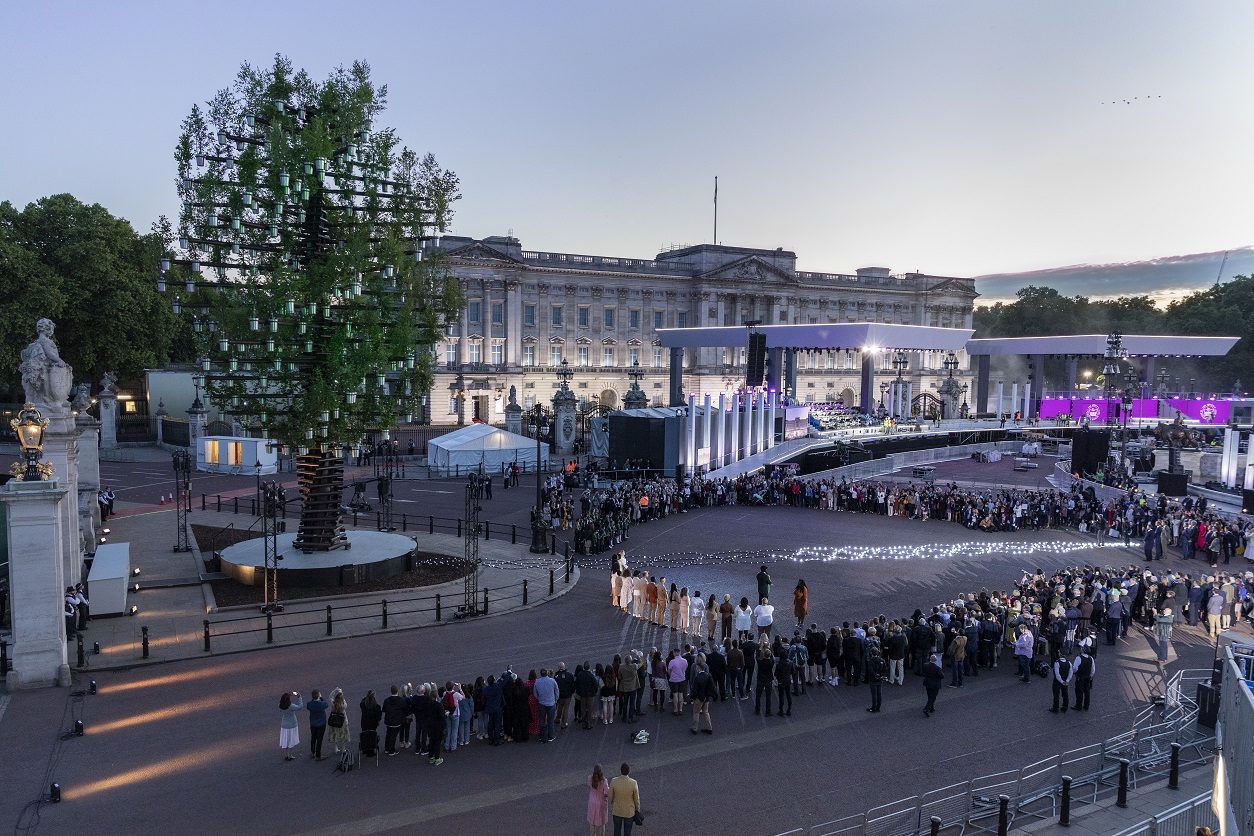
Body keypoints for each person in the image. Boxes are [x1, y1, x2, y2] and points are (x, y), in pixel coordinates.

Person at [608, 762, 641, 836]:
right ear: (628, 771)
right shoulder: (633, 783)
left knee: (617, 831)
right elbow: (636, 798)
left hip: (617, 810)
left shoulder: (614, 781)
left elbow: (610, 796)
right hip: (629, 811)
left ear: (621, 770)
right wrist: (637, 809)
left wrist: (613, 802)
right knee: (628, 832)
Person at [689, 660, 715, 734]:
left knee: (696, 712)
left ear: (699, 668)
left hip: (699, 698)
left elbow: (694, 690)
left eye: (697, 668)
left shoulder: (697, 678)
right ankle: (709, 728)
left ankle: (694, 728)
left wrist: (692, 697)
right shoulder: (708, 676)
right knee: (706, 712)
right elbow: (712, 687)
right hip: (706, 698)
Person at [535, 668, 559, 742]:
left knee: (542, 719)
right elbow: (556, 691)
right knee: (550, 720)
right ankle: (551, 736)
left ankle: (542, 735)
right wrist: (555, 699)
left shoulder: (537, 682)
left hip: (542, 703)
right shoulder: (552, 681)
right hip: (551, 703)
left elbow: (535, 693)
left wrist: (539, 699)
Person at [279, 691, 303, 761]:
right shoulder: (291, 706)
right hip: (292, 725)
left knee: (285, 740)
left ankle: (286, 755)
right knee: (291, 740)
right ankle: (290, 755)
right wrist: (299, 697)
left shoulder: (280, 705)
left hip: (284, 725)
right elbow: (300, 706)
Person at [587, 763, 610, 836]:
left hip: (592, 802)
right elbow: (607, 792)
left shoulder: (590, 778)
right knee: (601, 822)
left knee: (592, 821)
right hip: (601, 803)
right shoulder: (604, 781)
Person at [306, 689, 328, 761]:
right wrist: (321, 697)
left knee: (313, 738)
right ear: (318, 695)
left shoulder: (309, 704)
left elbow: (308, 707)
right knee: (319, 740)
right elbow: (326, 704)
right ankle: (318, 755)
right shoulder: (322, 704)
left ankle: (313, 752)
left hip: (313, 723)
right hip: (321, 724)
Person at [327, 689, 349, 755]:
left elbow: (330, 697)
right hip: (343, 721)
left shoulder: (333, 703)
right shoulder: (344, 705)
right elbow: (343, 699)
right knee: (344, 735)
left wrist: (334, 691)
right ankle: (343, 748)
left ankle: (336, 748)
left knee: (335, 734)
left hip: (334, 721)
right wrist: (341, 692)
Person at [867, 648, 888, 713]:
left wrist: (876, 675)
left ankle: (873, 708)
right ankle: (878, 707)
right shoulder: (882, 660)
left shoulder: (871, 661)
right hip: (880, 680)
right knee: (879, 694)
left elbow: (870, 670)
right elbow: (885, 669)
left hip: (873, 680)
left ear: (871, 653)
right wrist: (881, 675)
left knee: (874, 694)